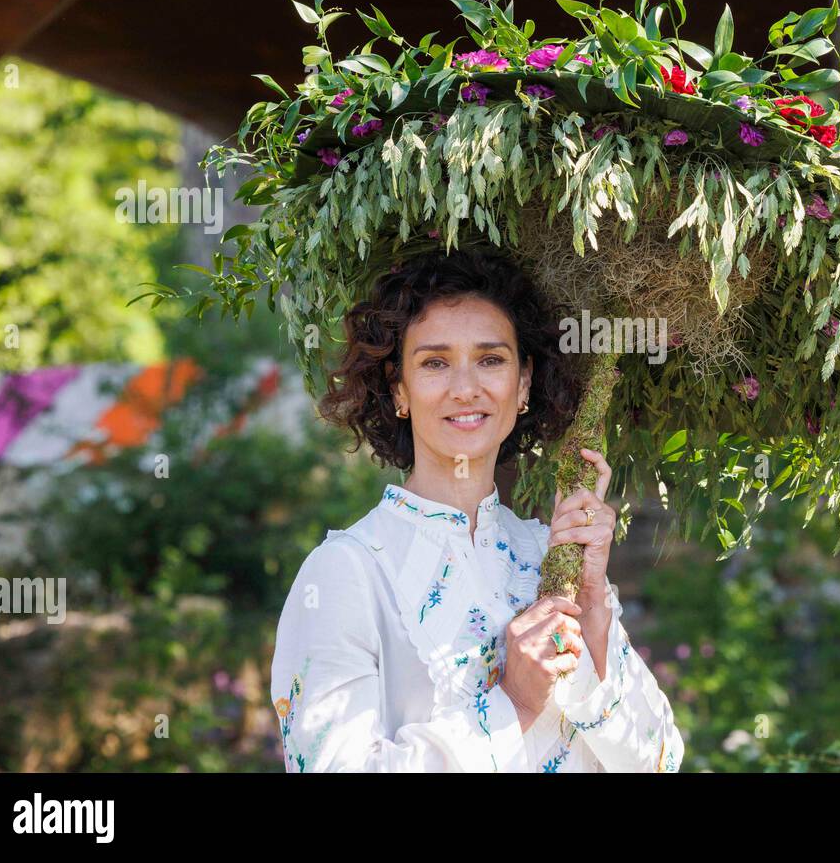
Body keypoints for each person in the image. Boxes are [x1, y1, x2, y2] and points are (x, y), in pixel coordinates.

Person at [269, 246, 684, 772]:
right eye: (435, 363)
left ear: (523, 383)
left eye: (490, 359)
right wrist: (515, 702)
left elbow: (658, 760)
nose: (466, 389)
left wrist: (594, 604)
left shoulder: (548, 552)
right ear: (399, 388)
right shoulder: (347, 573)